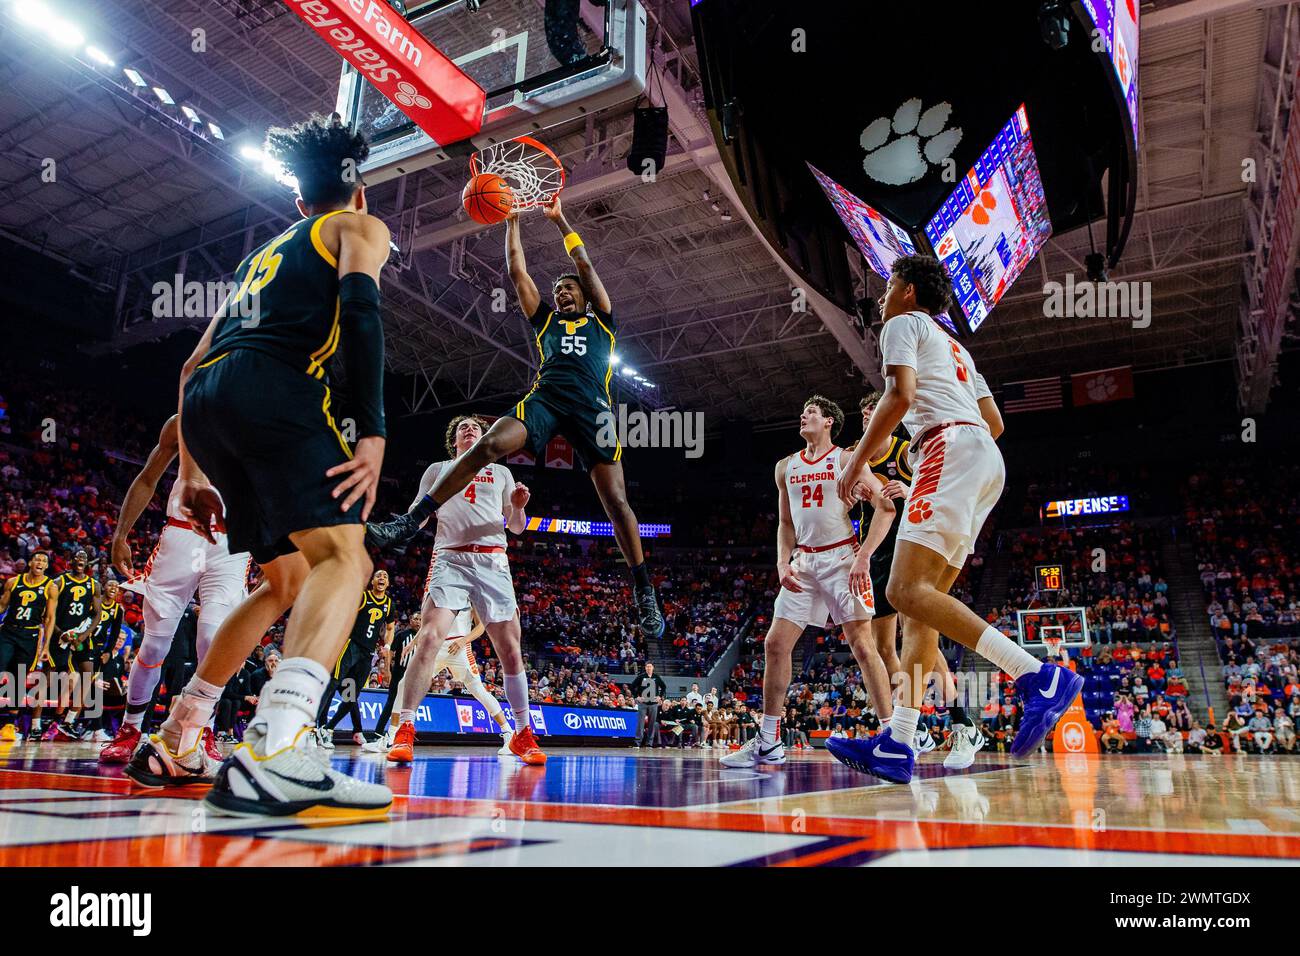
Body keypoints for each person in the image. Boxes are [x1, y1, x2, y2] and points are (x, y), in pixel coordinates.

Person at [124, 113, 393, 818]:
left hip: (209, 404)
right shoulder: (357, 229)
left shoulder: (259, 257)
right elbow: (362, 313)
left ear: (299, 202)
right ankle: (278, 745)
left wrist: (190, 474)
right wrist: (373, 431)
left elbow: (189, 364)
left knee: (285, 580)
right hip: (274, 386)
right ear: (355, 191)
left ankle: (183, 729)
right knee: (347, 559)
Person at [829, 255, 1083, 783]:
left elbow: (899, 396)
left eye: (889, 284)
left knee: (901, 592)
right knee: (921, 610)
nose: (882, 294)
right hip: (985, 458)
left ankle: (1036, 676)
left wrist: (855, 462)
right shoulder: (958, 348)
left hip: (947, 446)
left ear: (908, 290)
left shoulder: (902, 323)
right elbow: (994, 421)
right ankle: (899, 742)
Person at [364, 196, 665, 641]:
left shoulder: (603, 320)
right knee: (486, 445)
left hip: (592, 409)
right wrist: (512, 222)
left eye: (569, 289)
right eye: (558, 290)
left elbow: (584, 263)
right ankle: (411, 522)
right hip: (546, 398)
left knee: (616, 502)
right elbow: (516, 272)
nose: (562, 292)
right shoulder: (545, 322)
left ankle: (643, 590)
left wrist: (561, 219)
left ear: (583, 296)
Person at [722, 396, 893, 768]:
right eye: (802, 411)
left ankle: (891, 736)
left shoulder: (847, 460)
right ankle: (768, 741)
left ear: (830, 421)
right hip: (804, 561)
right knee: (775, 643)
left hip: (843, 557)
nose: (803, 416)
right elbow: (785, 523)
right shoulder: (785, 467)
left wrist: (863, 557)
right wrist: (783, 562)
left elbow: (886, 507)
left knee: (864, 646)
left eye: (811, 412)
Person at [380, 414, 542, 765]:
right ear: (454, 439)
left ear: (486, 437)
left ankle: (522, 733)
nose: (470, 429)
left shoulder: (501, 472)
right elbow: (418, 514)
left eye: (476, 427)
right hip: (450, 559)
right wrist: (406, 523)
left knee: (510, 649)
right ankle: (405, 729)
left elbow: (516, 528)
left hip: (493, 561)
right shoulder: (438, 469)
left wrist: (518, 506)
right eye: (463, 427)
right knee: (428, 637)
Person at [101, 414, 250, 764]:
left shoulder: (266, 421)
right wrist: (121, 534)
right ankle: (131, 728)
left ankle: (202, 728)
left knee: (213, 640)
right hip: (181, 533)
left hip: (231, 544)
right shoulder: (182, 422)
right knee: (154, 644)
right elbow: (147, 478)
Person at [853, 393, 980, 770]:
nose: (866, 418)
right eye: (862, 412)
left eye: (872, 411)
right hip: (874, 550)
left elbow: (941, 493)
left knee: (918, 633)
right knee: (882, 645)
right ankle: (917, 728)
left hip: (913, 542)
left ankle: (961, 722)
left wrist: (909, 493)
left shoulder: (910, 450)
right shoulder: (856, 455)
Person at [319, 569, 393, 745]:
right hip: (350, 646)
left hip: (367, 654)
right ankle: (315, 728)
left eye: (385, 576)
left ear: (388, 584)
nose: (382, 578)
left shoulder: (389, 604)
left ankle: (328, 728)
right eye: (378, 576)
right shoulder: (363, 597)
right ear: (372, 582)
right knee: (332, 684)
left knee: (350, 696)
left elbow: (390, 628)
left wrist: (387, 646)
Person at [0, 552, 58, 739]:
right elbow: (2, 607)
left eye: (44, 561)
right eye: (37, 559)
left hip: (31, 635)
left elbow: (49, 618)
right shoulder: (13, 582)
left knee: (17, 679)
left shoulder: (50, 587)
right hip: (8, 631)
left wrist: (46, 646)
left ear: (47, 566)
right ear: (31, 562)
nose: (40, 562)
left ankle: (10, 725)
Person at [630, 661, 666, 748]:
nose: (649, 668)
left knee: (652, 724)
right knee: (640, 723)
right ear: (645, 668)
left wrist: (660, 697)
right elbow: (632, 686)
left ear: (653, 668)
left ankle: (649, 743)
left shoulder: (656, 677)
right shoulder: (641, 677)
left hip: (653, 704)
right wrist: (636, 697)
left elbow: (664, 687)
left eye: (650, 667)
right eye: (647, 667)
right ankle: (637, 742)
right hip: (643, 703)